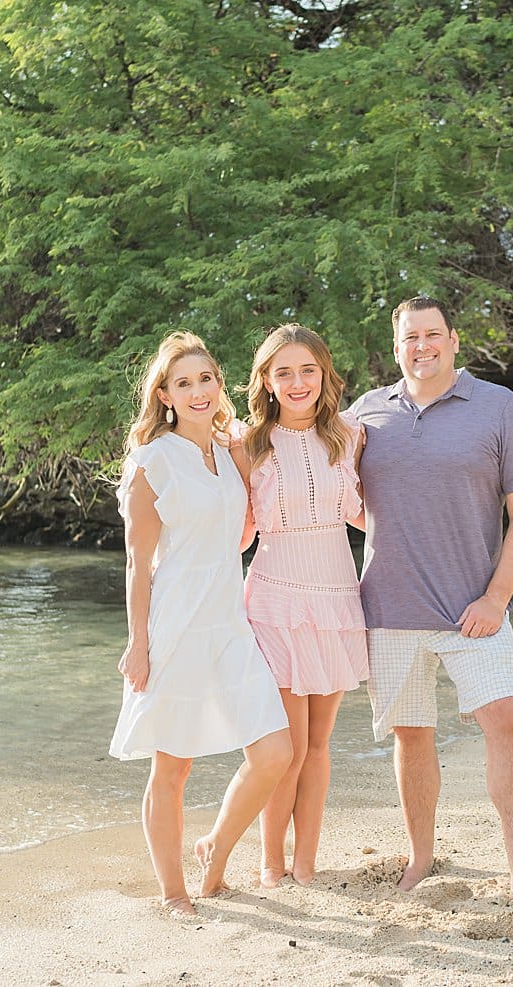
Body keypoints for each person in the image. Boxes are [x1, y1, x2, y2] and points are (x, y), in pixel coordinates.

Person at [347, 296, 513, 918]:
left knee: (507, 720)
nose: (421, 346)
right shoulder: (367, 414)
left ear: (454, 340)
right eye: (409, 338)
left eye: (432, 335)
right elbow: (322, 482)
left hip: (472, 610)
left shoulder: (498, 407)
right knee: (411, 735)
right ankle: (422, 856)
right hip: (388, 606)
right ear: (395, 345)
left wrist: (496, 597)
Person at [109, 331, 293, 917]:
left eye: (205, 379)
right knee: (173, 766)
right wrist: (138, 645)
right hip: (177, 623)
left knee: (275, 751)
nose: (197, 391)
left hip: (231, 622)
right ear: (163, 394)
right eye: (182, 383)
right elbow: (139, 563)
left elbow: (240, 533)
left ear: (219, 384)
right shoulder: (152, 462)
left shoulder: (229, 450)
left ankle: (215, 844)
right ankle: (173, 892)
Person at [237, 324, 369, 888]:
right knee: (285, 746)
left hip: (338, 595)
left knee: (317, 746)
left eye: (307, 370)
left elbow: (366, 515)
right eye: (283, 372)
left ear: (324, 376)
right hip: (274, 600)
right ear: (265, 381)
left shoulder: (350, 434)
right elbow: (238, 530)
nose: (297, 382)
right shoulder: (246, 442)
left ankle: (306, 863)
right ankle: (271, 862)